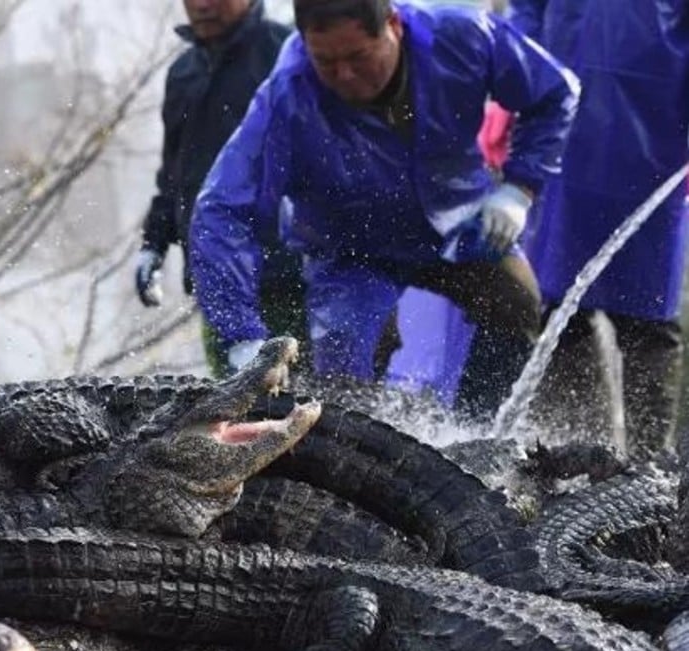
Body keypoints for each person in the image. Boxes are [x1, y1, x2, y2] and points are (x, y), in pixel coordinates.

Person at [189, 0, 579, 419]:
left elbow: (555, 91)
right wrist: (241, 336)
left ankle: (478, 430)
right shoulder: (286, 96)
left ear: (393, 25)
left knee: (517, 300)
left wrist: (519, 189)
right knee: (344, 384)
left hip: (455, 220)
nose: (344, 75)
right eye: (326, 61)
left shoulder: (463, 37)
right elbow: (221, 210)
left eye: (358, 57)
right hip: (348, 250)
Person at [512, 0, 689, 458]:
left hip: (660, 116)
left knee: (649, 317)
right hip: (565, 111)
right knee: (559, 305)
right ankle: (574, 454)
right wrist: (520, 79)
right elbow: (525, 15)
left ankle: (650, 470)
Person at [134, 0, 308, 377]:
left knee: (314, 411)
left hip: (291, 281)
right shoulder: (183, 74)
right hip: (216, 286)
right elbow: (175, 174)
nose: (202, 5)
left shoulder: (287, 55)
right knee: (234, 416)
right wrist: (153, 244)